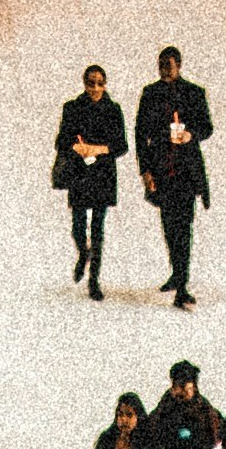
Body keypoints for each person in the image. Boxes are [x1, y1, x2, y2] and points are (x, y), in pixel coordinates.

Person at [136, 50, 211, 301]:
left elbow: (206, 127)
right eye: (161, 65)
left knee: (184, 226)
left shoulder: (194, 92)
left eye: (168, 65)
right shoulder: (150, 93)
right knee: (169, 225)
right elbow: (140, 135)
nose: (164, 70)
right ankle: (177, 272)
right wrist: (146, 171)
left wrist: (190, 134)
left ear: (179, 65)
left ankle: (182, 283)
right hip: (162, 168)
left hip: (186, 171)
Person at [55, 62, 128, 289]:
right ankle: (83, 253)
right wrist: (77, 147)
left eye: (99, 84)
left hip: (102, 174)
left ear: (105, 85)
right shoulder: (72, 108)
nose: (95, 88)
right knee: (78, 225)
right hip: (79, 172)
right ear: (84, 84)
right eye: (91, 83)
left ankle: (94, 279)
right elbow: (61, 141)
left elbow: (121, 145)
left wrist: (99, 149)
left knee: (97, 228)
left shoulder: (113, 109)